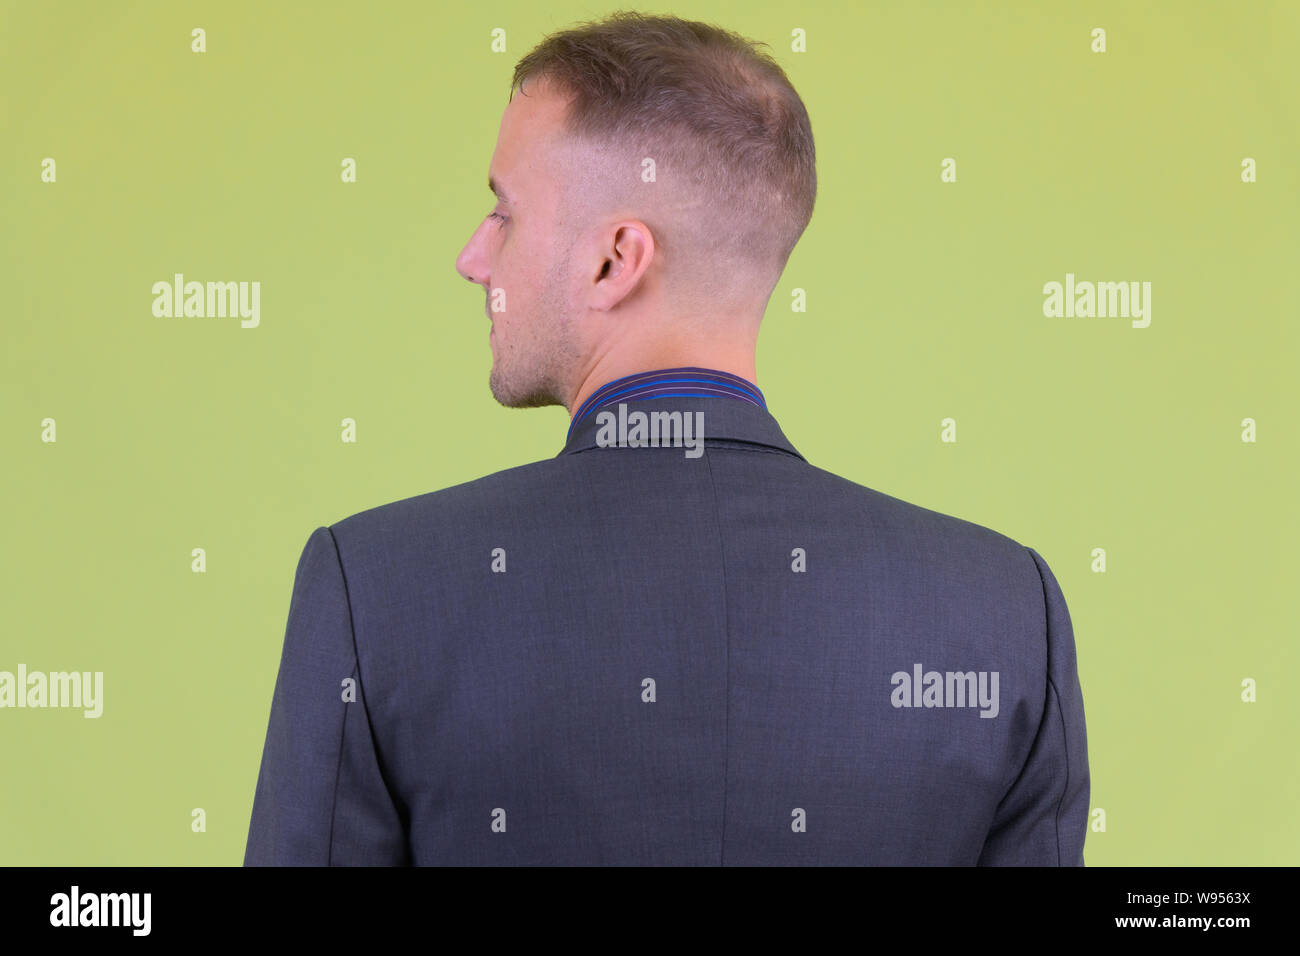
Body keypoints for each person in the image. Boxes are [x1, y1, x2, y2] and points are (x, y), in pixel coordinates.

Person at [244, 11, 1089, 866]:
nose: (473, 257)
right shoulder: (1005, 614)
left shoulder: (375, 587)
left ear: (616, 259)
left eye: (503, 212)